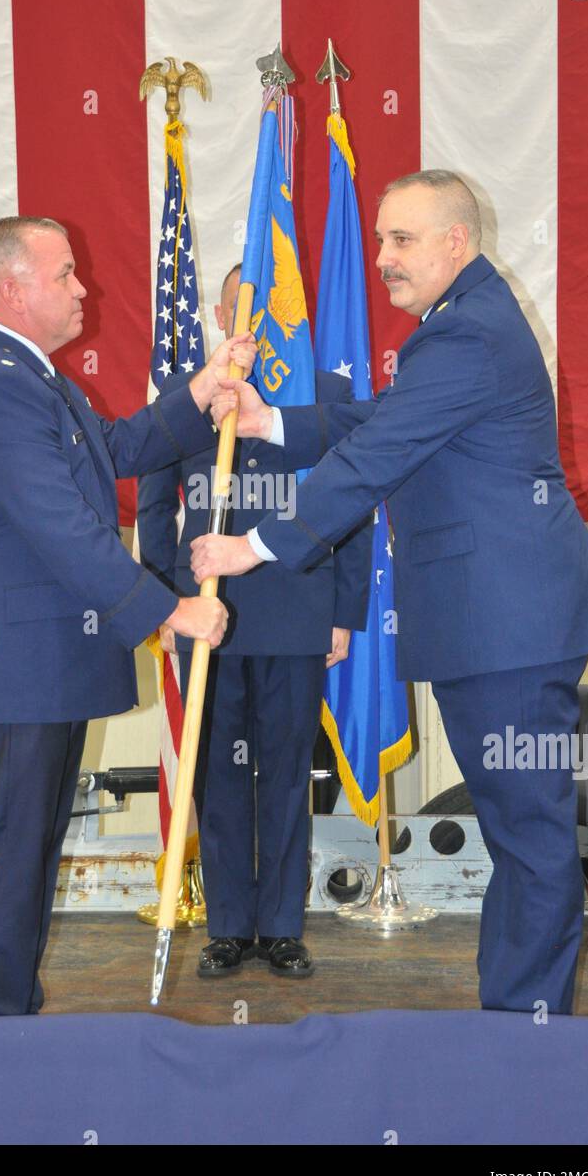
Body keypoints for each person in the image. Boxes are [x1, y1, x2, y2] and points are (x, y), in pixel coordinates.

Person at [191, 172, 588, 1015]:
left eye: (402, 240)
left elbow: (373, 458)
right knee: (518, 834)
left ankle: (530, 1040)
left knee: (528, 838)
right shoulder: (457, 327)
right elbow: (384, 421)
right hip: (497, 621)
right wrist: (273, 421)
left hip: (510, 624)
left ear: (456, 241)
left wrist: (256, 545)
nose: (382, 258)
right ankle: (519, 1018)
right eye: (379, 239)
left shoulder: (465, 335)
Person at [0, 215, 255, 1017]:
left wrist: (201, 391)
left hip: (38, 667)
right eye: (65, 274)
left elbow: (114, 446)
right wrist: (168, 609)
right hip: (17, 670)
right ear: (13, 288)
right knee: (14, 853)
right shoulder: (3, 386)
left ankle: (8, 1015)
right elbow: (61, 529)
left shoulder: (31, 377)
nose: (83, 288)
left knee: (30, 849)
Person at [138, 264, 371, 977]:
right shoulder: (186, 398)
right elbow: (152, 504)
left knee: (282, 772)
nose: (253, 317)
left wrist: (343, 611)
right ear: (215, 311)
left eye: (266, 305)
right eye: (240, 303)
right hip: (207, 613)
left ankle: (280, 927)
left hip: (298, 605)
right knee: (218, 774)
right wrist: (159, 600)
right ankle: (228, 926)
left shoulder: (322, 397)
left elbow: (353, 505)